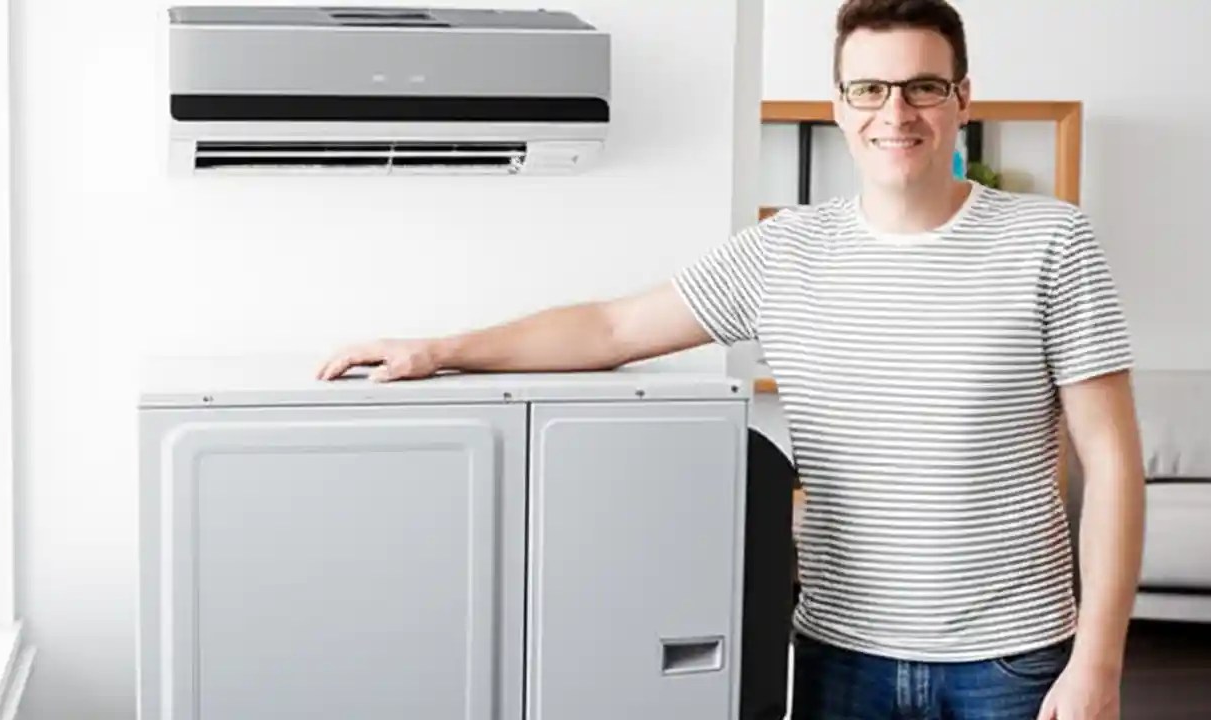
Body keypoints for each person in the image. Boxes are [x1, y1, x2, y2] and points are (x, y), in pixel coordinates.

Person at [317, 0, 1146, 717]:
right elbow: (611, 330)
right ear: (840, 103)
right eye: (870, 88)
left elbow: (1112, 463)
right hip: (839, 654)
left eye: (923, 85)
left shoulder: (1050, 241)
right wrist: (439, 350)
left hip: (1015, 660)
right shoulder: (783, 250)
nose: (897, 111)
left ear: (961, 98)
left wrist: (1099, 663)